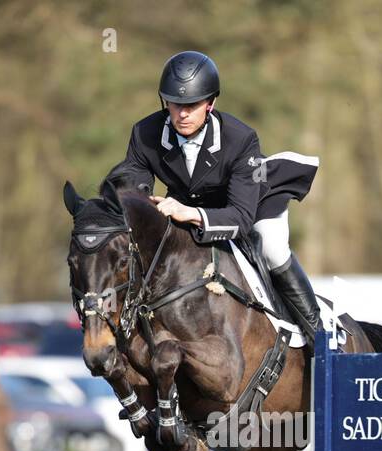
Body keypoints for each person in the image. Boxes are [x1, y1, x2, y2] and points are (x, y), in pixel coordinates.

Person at [121, 51, 324, 355]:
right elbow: (134, 191)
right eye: (175, 105)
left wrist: (189, 213)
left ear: (210, 103)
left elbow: (240, 218)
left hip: (252, 203)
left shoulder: (240, 139)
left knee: (271, 245)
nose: (182, 114)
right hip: (187, 203)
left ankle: (319, 336)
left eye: (192, 106)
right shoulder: (145, 133)